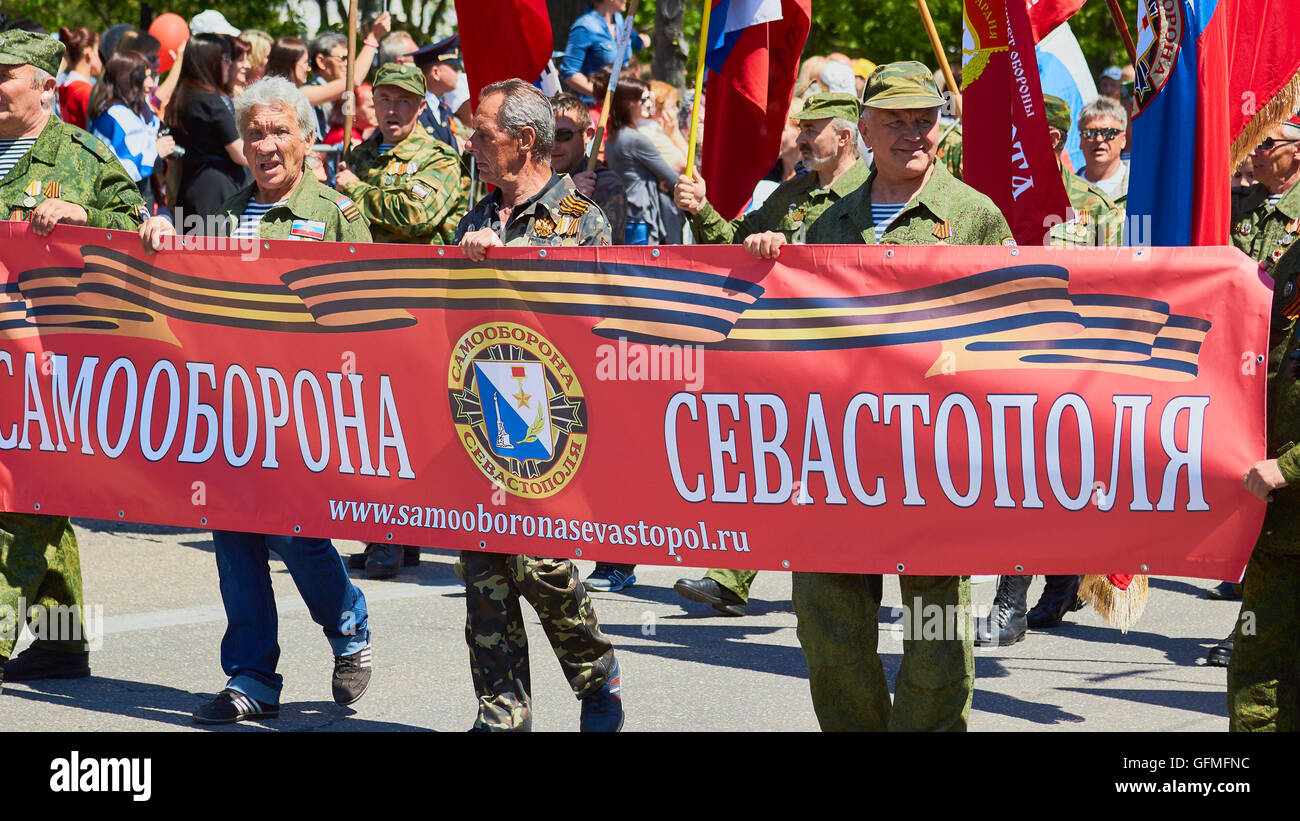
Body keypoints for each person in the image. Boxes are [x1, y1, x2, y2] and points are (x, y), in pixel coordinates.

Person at [151, 76, 376, 723]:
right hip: (235, 409)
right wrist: (162, 252)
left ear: (307, 139)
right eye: (255, 132)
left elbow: (361, 315)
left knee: (296, 533)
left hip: (306, 409)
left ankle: (348, 626)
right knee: (235, 538)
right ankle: (252, 676)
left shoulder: (335, 213)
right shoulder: (225, 211)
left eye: (280, 130)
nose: (267, 143)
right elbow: (196, 301)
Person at [796, 62, 1013, 732]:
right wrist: (768, 260)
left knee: (938, 645)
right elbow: (796, 332)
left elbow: (1009, 337)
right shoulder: (828, 223)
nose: (913, 134)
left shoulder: (976, 218)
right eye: (895, 122)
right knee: (832, 639)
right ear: (863, 128)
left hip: (937, 467)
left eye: (924, 120)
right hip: (840, 467)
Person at [0, 29, 168, 690]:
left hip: (47, 368)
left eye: (3, 73)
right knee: (38, 499)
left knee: (14, 499)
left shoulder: (79, 153)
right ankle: (62, 642)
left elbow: (141, 227)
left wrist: (85, 213)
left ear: (43, 84)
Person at [454, 79, 622, 731]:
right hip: (476, 403)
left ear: (524, 140)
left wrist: (509, 262)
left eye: (483, 134)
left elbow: (591, 310)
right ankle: (501, 706)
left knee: (540, 562)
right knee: (484, 569)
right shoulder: (476, 218)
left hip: (547, 410)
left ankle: (596, 678)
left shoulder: (582, 218)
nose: (472, 145)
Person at [669, 93, 870, 615]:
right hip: (789, 354)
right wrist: (703, 209)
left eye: (813, 130)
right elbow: (737, 241)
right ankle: (733, 576)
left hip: (855, 358)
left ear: (845, 137)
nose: (800, 140)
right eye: (800, 129)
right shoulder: (795, 190)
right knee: (775, 456)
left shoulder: (871, 193)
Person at [1208, 115, 1300, 680]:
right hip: (1238, 377)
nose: (1254, 151)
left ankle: (1249, 616)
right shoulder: (1233, 205)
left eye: (1267, 141)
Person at [336, 65, 468, 256]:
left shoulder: (439, 157)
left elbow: (415, 217)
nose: (392, 110)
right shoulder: (359, 155)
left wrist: (353, 188)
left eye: (403, 101)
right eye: (384, 100)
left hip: (414, 272)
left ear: (421, 107)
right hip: (361, 269)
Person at [164, 33, 249, 220]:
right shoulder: (209, 100)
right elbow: (241, 153)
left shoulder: (184, 95)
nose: (229, 64)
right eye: (225, 58)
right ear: (209, 61)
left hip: (192, 186)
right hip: (215, 192)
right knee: (217, 249)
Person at [88, 50, 174, 213]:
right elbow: (123, 168)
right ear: (130, 80)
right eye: (146, 77)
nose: (151, 84)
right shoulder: (115, 115)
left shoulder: (128, 111)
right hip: (121, 209)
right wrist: (156, 152)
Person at [604, 77, 679, 245]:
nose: (649, 104)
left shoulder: (614, 137)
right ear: (629, 103)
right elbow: (671, 177)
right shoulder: (635, 139)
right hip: (641, 216)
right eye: (644, 99)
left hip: (625, 214)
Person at [551, 91, 627, 241]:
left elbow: (601, 248)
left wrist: (572, 200)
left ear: (588, 135)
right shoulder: (533, 180)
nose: (554, 145)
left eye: (563, 135)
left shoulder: (605, 184)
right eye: (547, 135)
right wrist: (565, 192)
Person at [559, 0, 648, 102]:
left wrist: (647, 40)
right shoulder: (585, 26)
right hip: (596, 107)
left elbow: (636, 42)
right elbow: (569, 73)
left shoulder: (620, 21)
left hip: (621, 105)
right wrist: (603, 96)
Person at [409, 34, 467, 151]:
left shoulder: (445, 109)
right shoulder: (413, 108)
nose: (459, 72)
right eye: (454, 68)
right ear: (436, 73)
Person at [1078, 97, 1129, 205]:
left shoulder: (1140, 185)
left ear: (1123, 140)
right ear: (1081, 140)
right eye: (1090, 133)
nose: (1099, 139)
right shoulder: (1064, 192)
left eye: (1108, 133)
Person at [57, 26, 100, 129]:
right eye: (98, 51)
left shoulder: (62, 88)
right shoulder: (86, 92)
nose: (100, 58)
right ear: (89, 52)